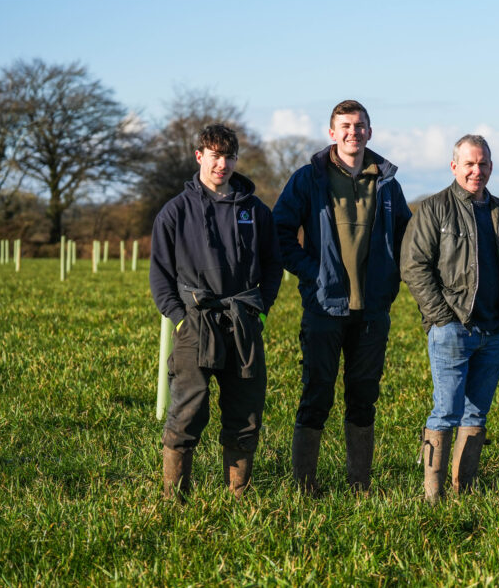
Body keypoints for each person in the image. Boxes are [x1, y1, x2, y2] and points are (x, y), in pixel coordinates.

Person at [272, 100, 411, 494]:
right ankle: (304, 486)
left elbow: (407, 240)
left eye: (360, 125)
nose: (354, 132)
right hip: (323, 306)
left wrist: (392, 280)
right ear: (332, 133)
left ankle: (359, 484)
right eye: (345, 126)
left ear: (370, 131)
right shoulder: (308, 179)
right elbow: (280, 232)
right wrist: (310, 271)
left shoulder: (387, 184)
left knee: (364, 397)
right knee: (316, 394)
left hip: (372, 311)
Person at [150, 123, 283, 500]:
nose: (221, 164)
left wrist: (262, 309)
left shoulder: (256, 211)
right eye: (214, 156)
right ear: (199, 156)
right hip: (196, 323)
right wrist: (179, 318)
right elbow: (160, 276)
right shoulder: (175, 212)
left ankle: (237, 497)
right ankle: (175, 499)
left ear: (237, 159)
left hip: (242, 321)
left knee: (245, 412)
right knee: (188, 411)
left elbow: (274, 264)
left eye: (228, 157)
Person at [401, 134, 499, 503]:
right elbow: (413, 265)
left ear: (491, 166)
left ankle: (463, 488)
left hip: (493, 332)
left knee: (476, 415)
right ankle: (432, 494)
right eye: (469, 163)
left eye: (483, 163)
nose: (477, 170)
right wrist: (441, 318)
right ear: (454, 166)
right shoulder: (434, 208)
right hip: (452, 329)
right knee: (446, 412)